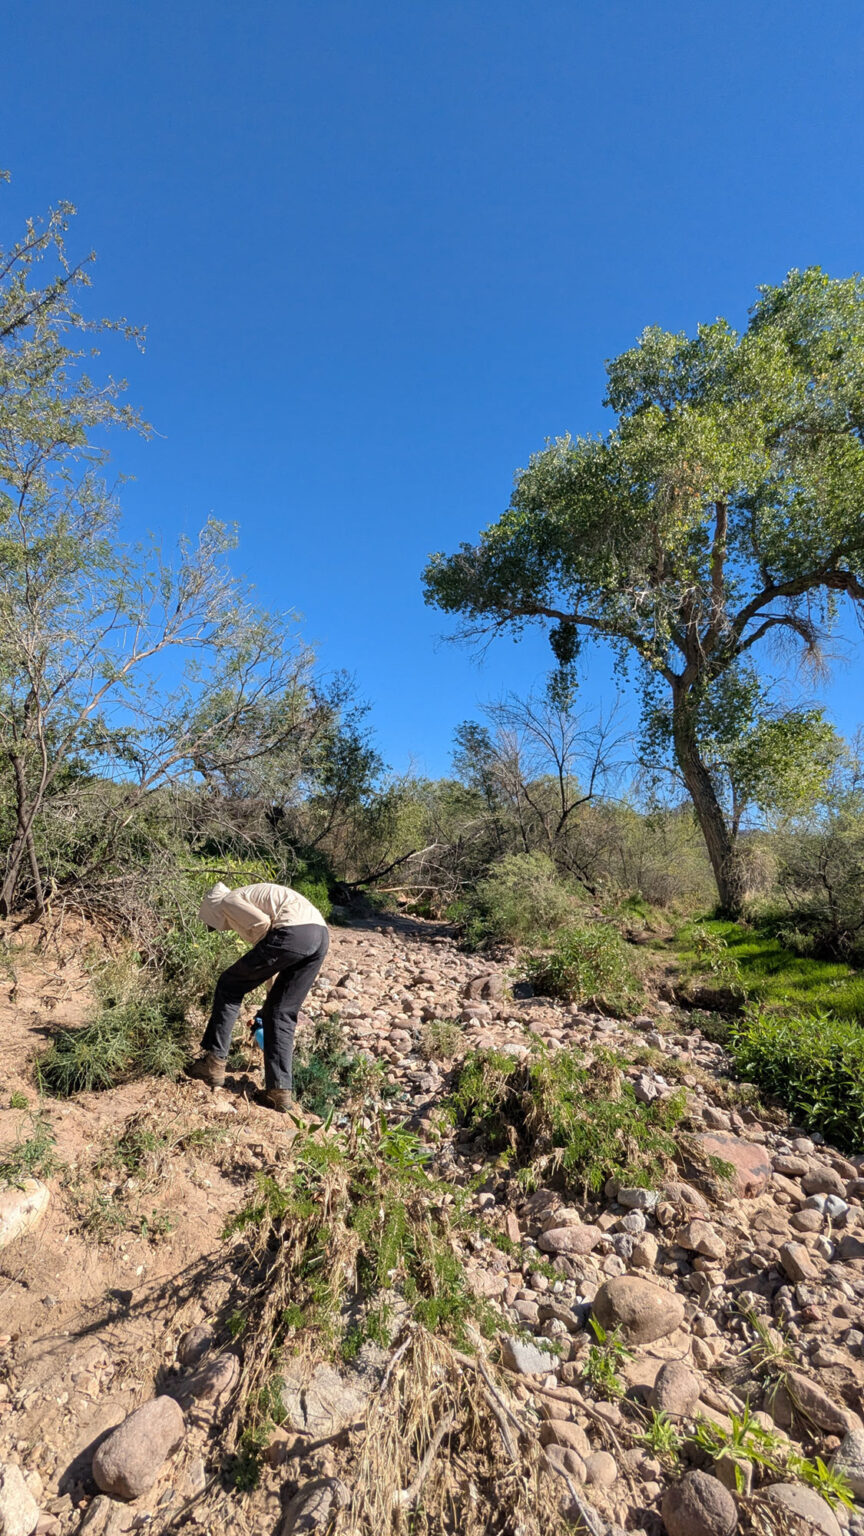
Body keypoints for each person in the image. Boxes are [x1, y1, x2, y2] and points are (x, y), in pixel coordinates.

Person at [186, 880, 329, 1112]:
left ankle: (213, 1064)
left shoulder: (228, 900)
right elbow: (273, 943)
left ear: (212, 910)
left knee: (229, 985)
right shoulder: (249, 895)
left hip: (293, 932)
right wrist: (271, 990)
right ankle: (279, 1091)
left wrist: (267, 973)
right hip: (319, 935)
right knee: (280, 1011)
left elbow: (263, 926)